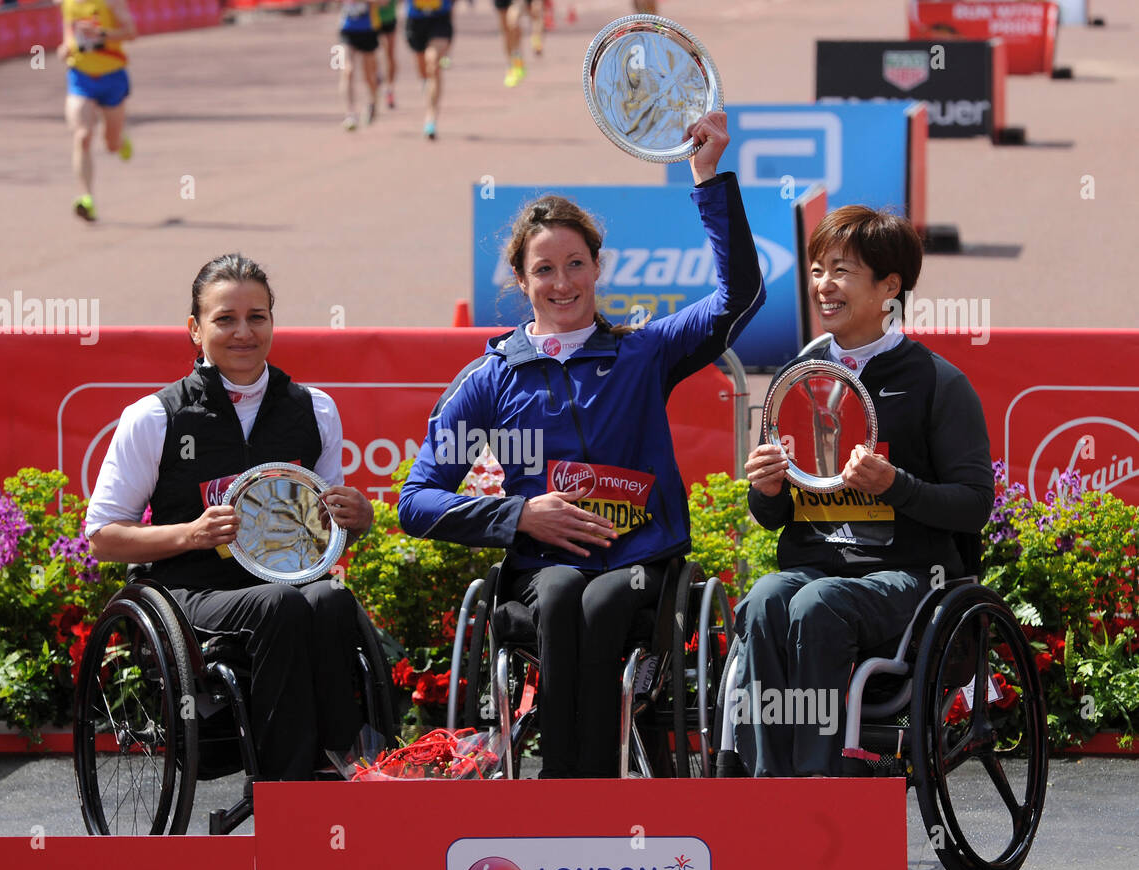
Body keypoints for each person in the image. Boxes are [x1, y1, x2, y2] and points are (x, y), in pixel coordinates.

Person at [398, 113, 765, 777]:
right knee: (567, 589)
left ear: (598, 268)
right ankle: (560, 782)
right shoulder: (490, 380)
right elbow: (416, 501)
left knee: (599, 596)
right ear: (520, 277)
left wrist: (708, 179)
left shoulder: (642, 352)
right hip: (541, 573)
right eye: (545, 269)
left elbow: (739, 296)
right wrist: (519, 515)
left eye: (575, 264)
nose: (562, 282)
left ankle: (589, 787)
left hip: (639, 565)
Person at [725, 205, 995, 778]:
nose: (824, 285)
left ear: (888, 287)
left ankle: (821, 787)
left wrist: (896, 486)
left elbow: (974, 505)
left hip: (909, 579)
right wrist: (768, 488)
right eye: (818, 269)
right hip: (816, 569)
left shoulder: (938, 382)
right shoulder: (796, 376)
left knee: (816, 604)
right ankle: (766, 788)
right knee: (766, 597)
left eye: (841, 271)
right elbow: (772, 516)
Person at [85, 254, 376, 780]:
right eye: (224, 319)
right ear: (195, 330)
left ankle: (345, 765)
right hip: (192, 593)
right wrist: (191, 534)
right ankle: (287, 790)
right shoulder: (155, 417)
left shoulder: (313, 409)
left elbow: (327, 535)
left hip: (286, 583)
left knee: (331, 598)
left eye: (257, 317)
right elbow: (104, 537)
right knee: (278, 605)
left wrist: (356, 519)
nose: (243, 332)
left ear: (272, 322)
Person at [59, 0, 137, 222]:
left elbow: (131, 33)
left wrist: (100, 34)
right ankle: (86, 198)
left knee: (111, 145)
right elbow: (69, 32)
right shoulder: (68, 3)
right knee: (82, 135)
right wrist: (66, 47)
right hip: (80, 77)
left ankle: (120, 139)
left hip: (112, 76)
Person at [405, 0, 454, 139]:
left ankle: (431, 118)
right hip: (416, 19)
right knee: (423, 69)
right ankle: (425, 84)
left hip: (439, 18)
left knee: (433, 63)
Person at [339, 1, 382, 130]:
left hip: (368, 29)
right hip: (347, 29)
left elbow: (384, 3)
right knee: (348, 70)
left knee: (369, 76)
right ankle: (350, 114)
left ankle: (373, 102)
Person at [375, 0, 399, 109]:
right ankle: (377, 74)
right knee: (372, 53)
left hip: (388, 17)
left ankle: (389, 89)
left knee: (389, 53)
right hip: (370, 19)